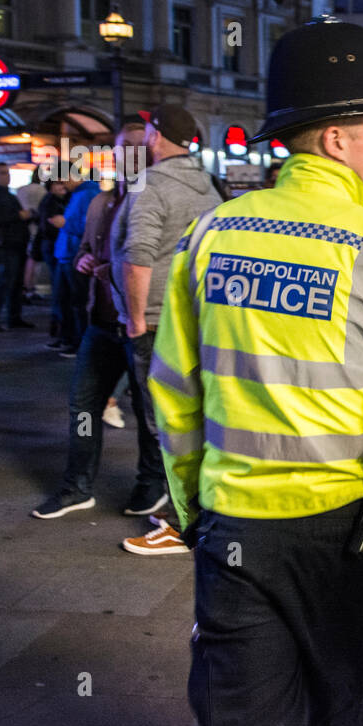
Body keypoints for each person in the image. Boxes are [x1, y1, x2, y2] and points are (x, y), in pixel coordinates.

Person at [150, 19, 363, 726]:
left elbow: (173, 391)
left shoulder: (213, 234)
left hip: (234, 532)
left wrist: (196, 508)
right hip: (340, 548)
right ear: (334, 139)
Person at [31, 121, 156, 522]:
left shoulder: (154, 199)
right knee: (84, 405)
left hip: (147, 324)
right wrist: (86, 261)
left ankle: (151, 486)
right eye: (121, 149)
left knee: (149, 412)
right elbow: (85, 248)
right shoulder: (101, 202)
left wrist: (116, 272)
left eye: (136, 148)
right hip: (101, 321)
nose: (126, 157)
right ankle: (77, 486)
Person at [109, 104, 221, 529]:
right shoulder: (206, 184)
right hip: (195, 314)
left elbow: (138, 256)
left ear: (155, 136)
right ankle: (191, 506)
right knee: (192, 414)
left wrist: (135, 319)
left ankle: (186, 520)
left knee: (161, 422)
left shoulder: (149, 184)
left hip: (154, 318)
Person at [52, 164, 102, 356]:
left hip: (74, 256)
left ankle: (80, 343)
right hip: (65, 255)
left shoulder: (88, 193)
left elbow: (89, 227)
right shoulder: (79, 194)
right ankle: (69, 339)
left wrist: (65, 224)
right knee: (64, 301)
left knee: (77, 302)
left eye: (63, 179)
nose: (62, 184)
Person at [0, 162, 34, 332]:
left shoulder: (8, 196)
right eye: (3, 173)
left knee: (15, 283)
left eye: (7, 173)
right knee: (5, 282)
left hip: (16, 243)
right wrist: (18, 216)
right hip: (6, 244)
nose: (6, 176)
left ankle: (13, 317)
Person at [37, 175, 69, 344]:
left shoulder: (65, 199)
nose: (62, 186)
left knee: (62, 292)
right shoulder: (49, 202)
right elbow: (47, 228)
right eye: (58, 183)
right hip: (55, 249)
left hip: (59, 249)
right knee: (59, 291)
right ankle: (59, 331)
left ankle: (60, 331)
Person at [17, 168, 47, 304]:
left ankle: (24, 289)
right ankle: (29, 288)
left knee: (25, 260)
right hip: (36, 228)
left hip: (22, 228)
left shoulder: (21, 190)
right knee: (33, 261)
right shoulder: (43, 192)